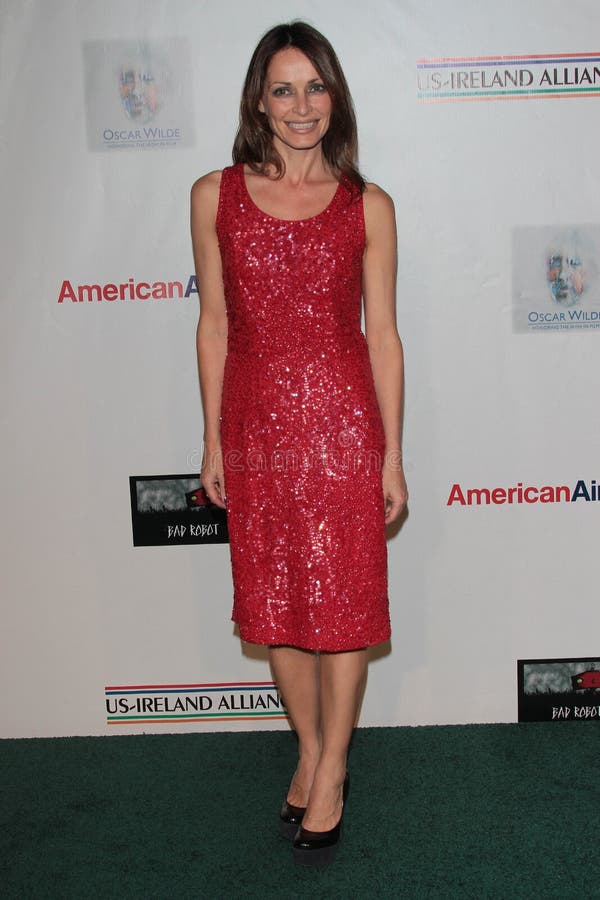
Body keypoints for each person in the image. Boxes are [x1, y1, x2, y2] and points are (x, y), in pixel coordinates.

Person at [191, 20, 407, 866]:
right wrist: (213, 440)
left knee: (344, 603)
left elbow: (382, 335)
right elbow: (214, 326)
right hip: (256, 424)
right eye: (284, 89)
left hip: (344, 425)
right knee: (276, 599)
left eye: (316, 87)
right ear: (258, 100)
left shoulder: (368, 205)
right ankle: (311, 751)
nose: (301, 105)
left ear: (335, 97)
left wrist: (391, 453)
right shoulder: (214, 196)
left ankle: (336, 766)